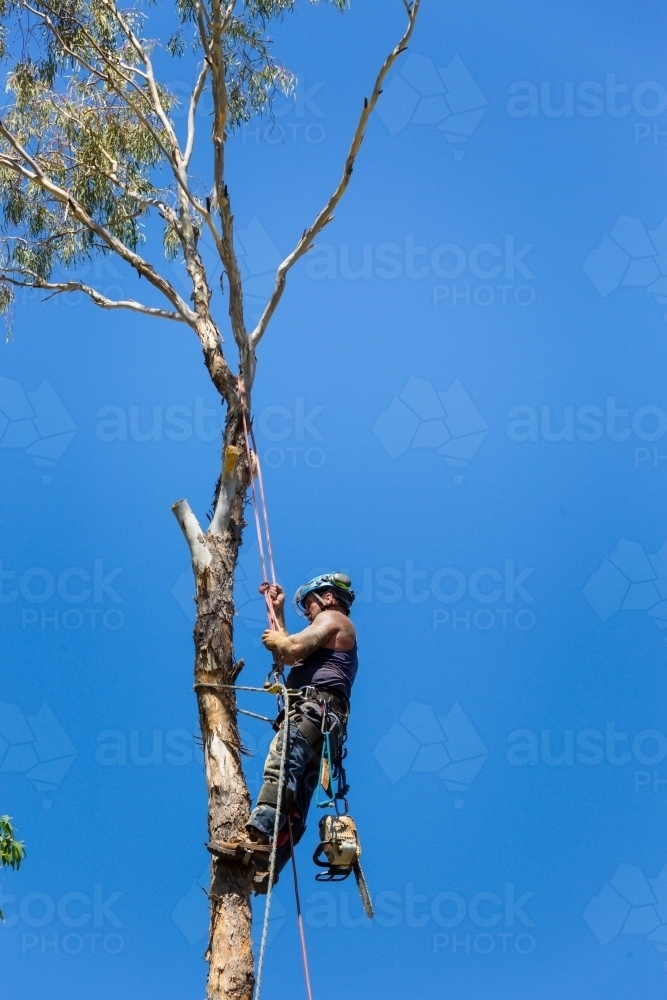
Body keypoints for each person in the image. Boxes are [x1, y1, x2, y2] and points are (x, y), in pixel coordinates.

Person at [207, 572, 357, 892]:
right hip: (327, 724)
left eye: (309, 605)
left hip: (314, 711)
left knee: (281, 764)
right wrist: (279, 613)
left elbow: (291, 650)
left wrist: (281, 640)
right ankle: (270, 862)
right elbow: (289, 653)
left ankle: (257, 837)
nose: (308, 612)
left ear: (327, 598)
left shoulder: (333, 617)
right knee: (297, 796)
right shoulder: (333, 628)